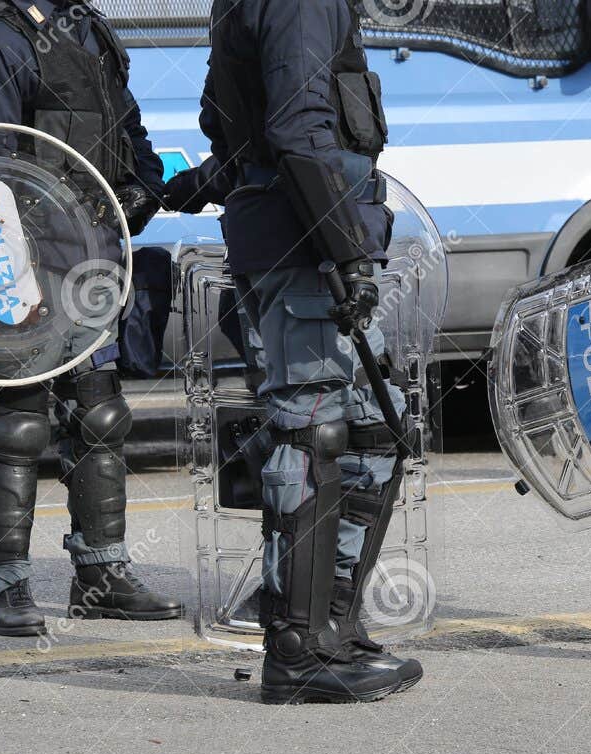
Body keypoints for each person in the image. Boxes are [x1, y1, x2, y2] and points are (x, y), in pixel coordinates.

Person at [201, 0, 423, 703]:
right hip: (306, 248)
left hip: (305, 239)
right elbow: (297, 129)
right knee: (312, 432)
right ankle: (297, 649)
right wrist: (348, 253)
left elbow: (238, 128)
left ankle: (332, 623)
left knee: (375, 430)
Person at [0, 0, 181, 635]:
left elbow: (129, 132)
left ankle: (100, 580)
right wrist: (8, 285)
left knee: (101, 417)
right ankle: (7, 588)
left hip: (91, 259)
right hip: (25, 261)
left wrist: (143, 189)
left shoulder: (87, 29)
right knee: (17, 426)